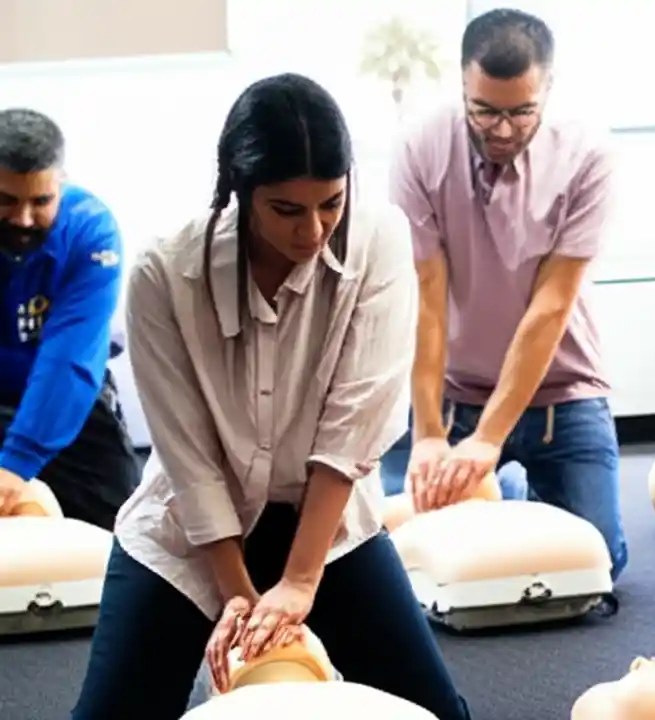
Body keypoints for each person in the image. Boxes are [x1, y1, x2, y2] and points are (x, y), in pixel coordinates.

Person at [70, 73, 471, 720]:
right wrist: (239, 597)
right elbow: (189, 458)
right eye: (287, 209)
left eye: (331, 204)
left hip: (326, 521)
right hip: (190, 527)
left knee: (435, 713)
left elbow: (354, 427)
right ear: (239, 189)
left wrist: (302, 581)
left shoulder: (380, 242)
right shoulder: (163, 274)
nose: (313, 231)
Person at [389, 7, 627, 581]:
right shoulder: (421, 146)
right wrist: (429, 436)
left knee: (597, 563)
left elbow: (551, 307)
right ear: (462, 85)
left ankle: (510, 480)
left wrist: (490, 440)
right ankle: (507, 483)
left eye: (521, 112)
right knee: (398, 554)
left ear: (548, 89)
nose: (501, 129)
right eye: (485, 110)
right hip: (454, 392)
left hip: (562, 392)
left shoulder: (587, 157)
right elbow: (426, 295)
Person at [0, 107, 140, 530]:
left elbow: (69, 358)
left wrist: (13, 468)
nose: (24, 219)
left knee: (128, 535)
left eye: (41, 201)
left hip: (67, 399)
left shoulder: (90, 230)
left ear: (61, 183)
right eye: (6, 200)